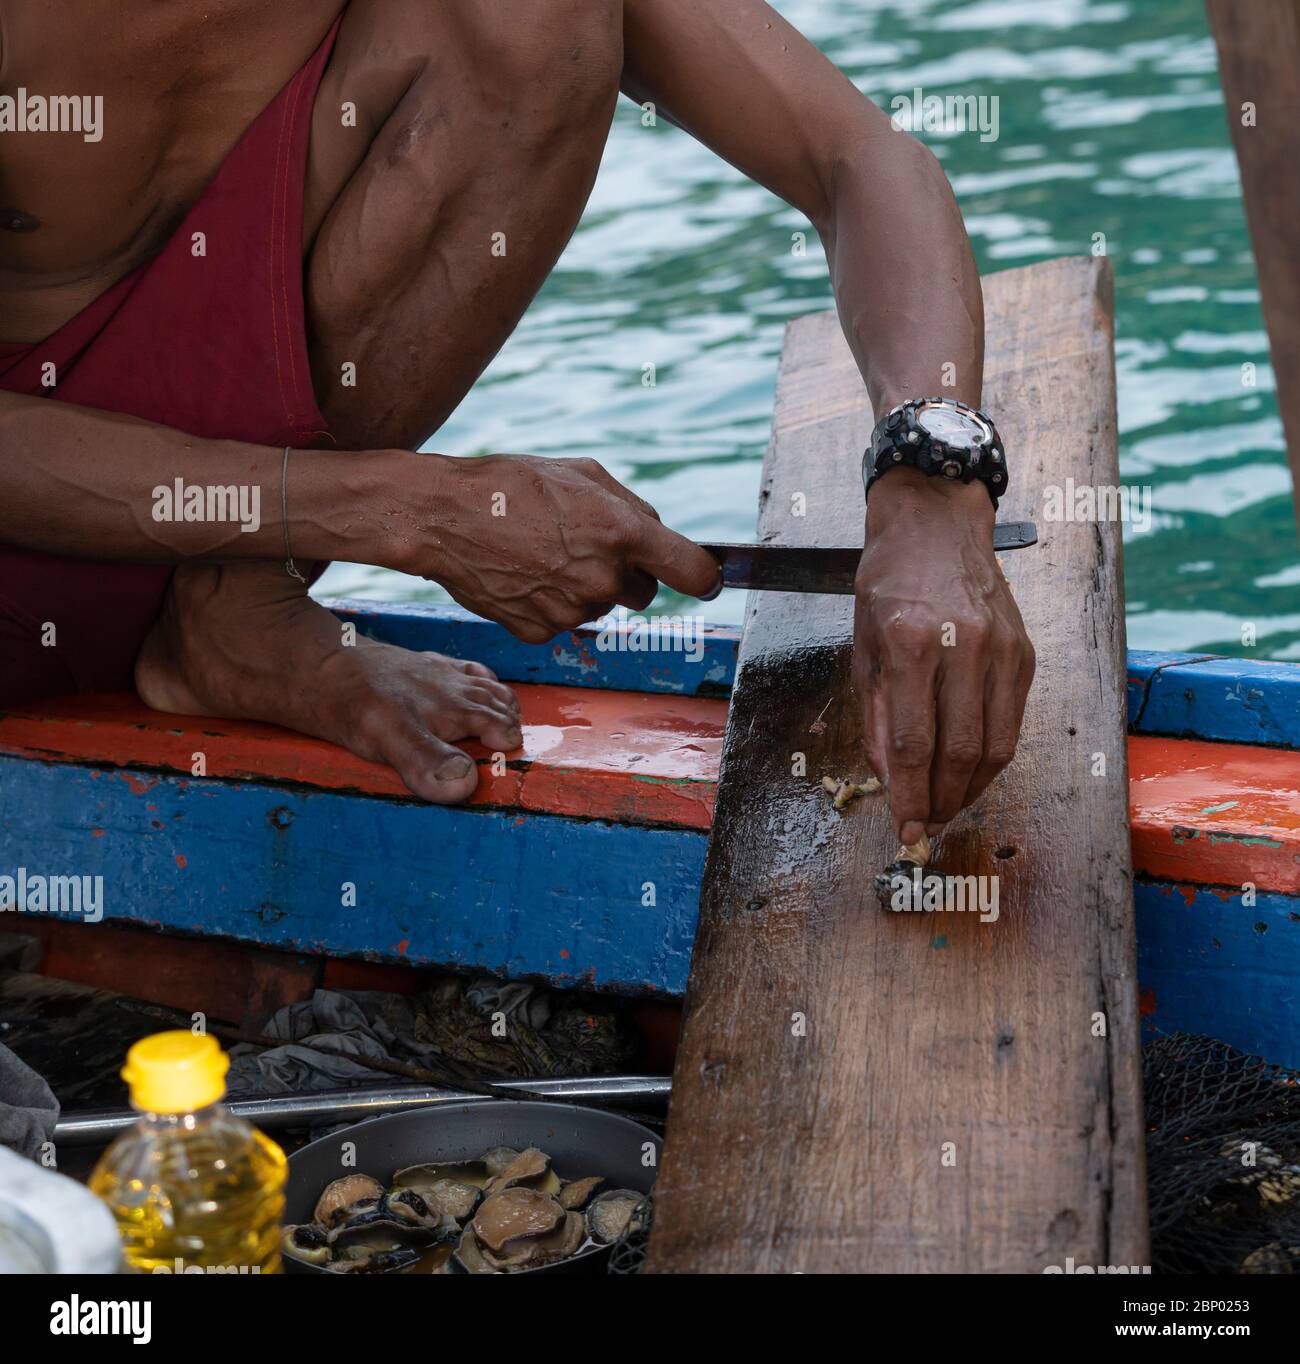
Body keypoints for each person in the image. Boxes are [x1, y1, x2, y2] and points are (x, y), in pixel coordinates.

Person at [0, 0, 1033, 848]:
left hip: (205, 527)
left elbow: (855, 156)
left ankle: (229, 605)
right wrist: (408, 511)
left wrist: (930, 481)